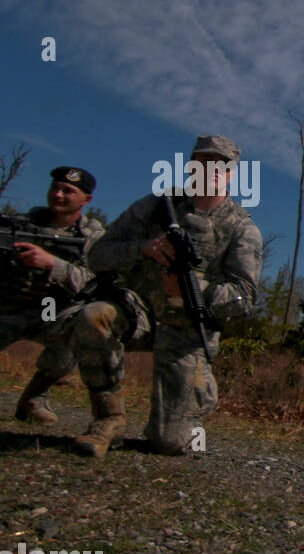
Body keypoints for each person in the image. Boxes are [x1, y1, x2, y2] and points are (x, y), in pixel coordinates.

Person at [74, 134, 262, 457]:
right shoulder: (155, 207)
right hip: (139, 311)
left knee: (170, 442)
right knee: (93, 318)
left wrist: (196, 289)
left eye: (222, 165)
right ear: (191, 167)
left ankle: (196, 393)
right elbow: (97, 255)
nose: (213, 170)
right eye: (205, 162)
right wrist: (142, 249)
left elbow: (244, 298)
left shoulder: (242, 229)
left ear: (232, 174)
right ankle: (109, 418)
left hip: (187, 331)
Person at [2, 166, 105, 425]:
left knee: (83, 324)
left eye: (67, 191)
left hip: (51, 313)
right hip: (8, 308)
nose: (58, 195)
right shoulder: (20, 225)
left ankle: (35, 397)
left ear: (86, 200)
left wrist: (51, 263)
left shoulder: (93, 239)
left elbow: (97, 282)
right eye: (54, 188)